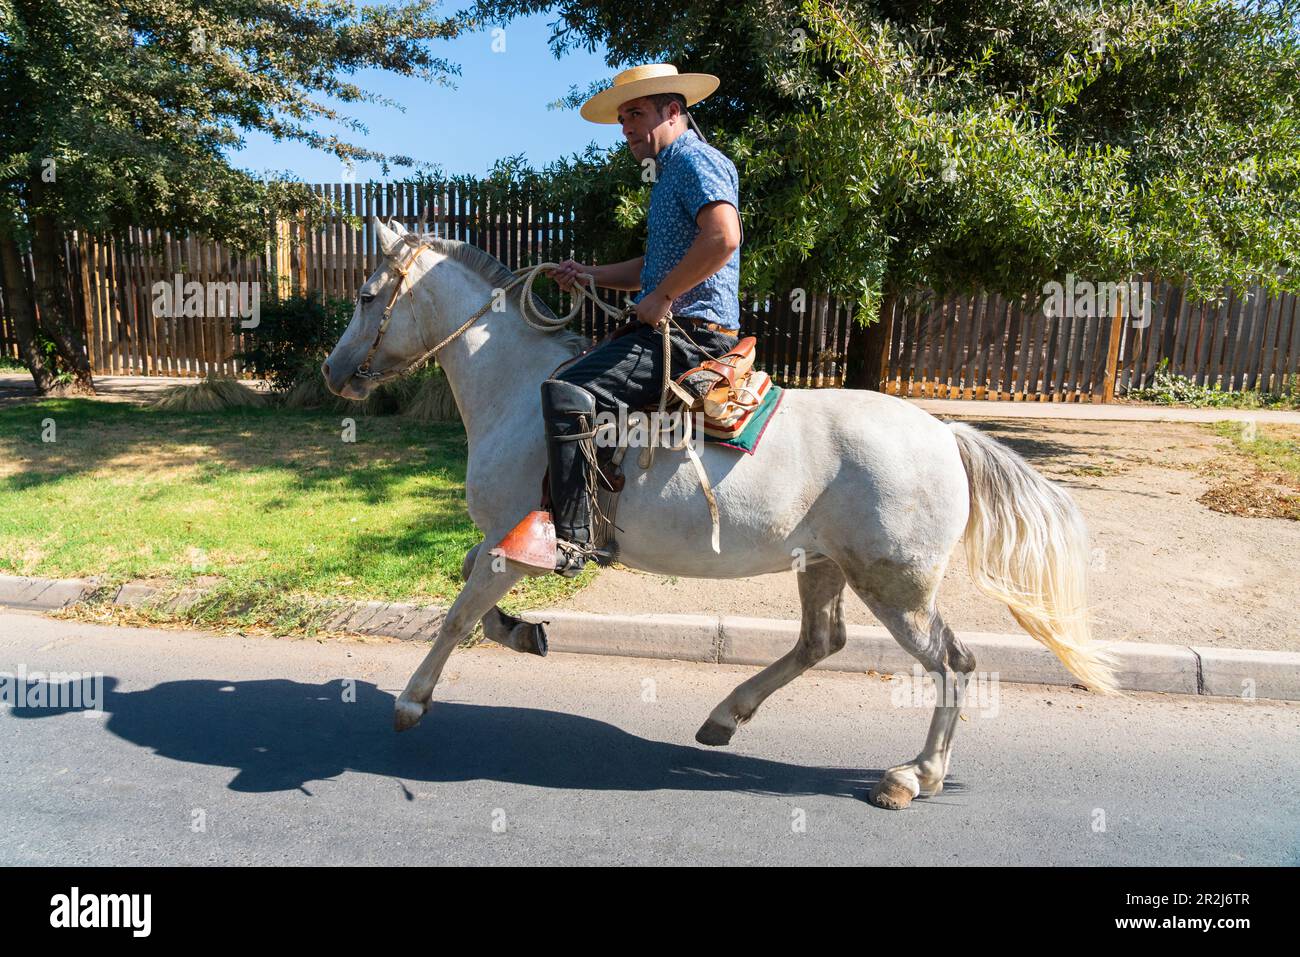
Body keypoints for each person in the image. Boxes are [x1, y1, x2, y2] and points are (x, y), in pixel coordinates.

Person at [490, 63, 743, 577]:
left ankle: (573, 540)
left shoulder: (693, 161)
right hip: (678, 322)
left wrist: (664, 297)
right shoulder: (671, 170)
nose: (625, 126)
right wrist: (591, 274)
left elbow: (723, 237)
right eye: (623, 117)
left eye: (636, 114)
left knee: (565, 390)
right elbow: (653, 269)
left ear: (673, 111)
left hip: (691, 332)